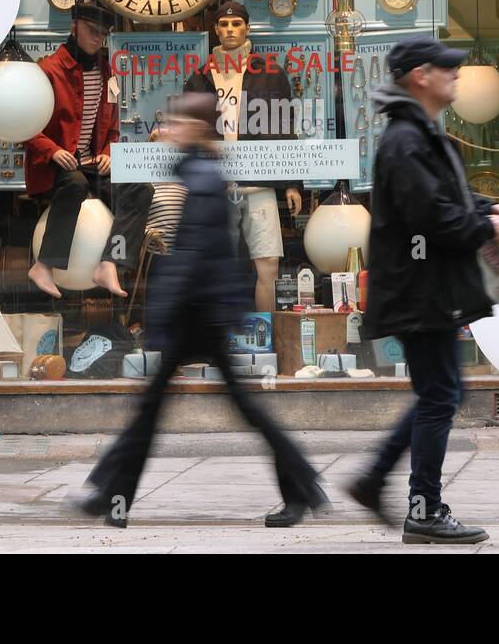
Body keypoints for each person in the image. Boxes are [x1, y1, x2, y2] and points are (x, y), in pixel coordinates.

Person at [75, 92, 327, 529]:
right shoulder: (194, 171)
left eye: (175, 122)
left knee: (199, 410)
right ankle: (111, 494)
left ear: (197, 127)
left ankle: (300, 486)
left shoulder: (203, 177)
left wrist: (167, 312)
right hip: (199, 313)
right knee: (159, 409)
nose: (167, 129)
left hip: (199, 315)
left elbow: (199, 256)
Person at [346, 39, 499, 545]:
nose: (457, 75)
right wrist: (487, 228)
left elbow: (448, 197)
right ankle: (422, 509)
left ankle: (375, 481)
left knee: (441, 392)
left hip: (427, 288)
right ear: (421, 75)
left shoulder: (418, 133)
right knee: (441, 394)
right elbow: (433, 217)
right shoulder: (406, 139)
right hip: (420, 290)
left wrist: (489, 207)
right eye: (448, 68)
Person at [25, 1, 153, 299]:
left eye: (103, 34)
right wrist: (52, 149)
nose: (97, 39)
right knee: (75, 183)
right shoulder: (48, 71)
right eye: (91, 31)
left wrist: (108, 152)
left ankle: (109, 262)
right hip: (56, 165)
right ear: (74, 27)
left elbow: (112, 127)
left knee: (140, 189)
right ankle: (43, 265)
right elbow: (23, 124)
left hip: (90, 162)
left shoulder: (106, 72)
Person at [183, 1, 302, 312]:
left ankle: (268, 336)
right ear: (216, 30)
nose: (230, 30)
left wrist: (292, 183)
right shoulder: (201, 76)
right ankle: (220, 339)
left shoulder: (270, 73)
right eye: (224, 24)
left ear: (247, 28)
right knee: (217, 267)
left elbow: (286, 127)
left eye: (236, 24)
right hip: (217, 186)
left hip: (258, 182)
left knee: (269, 265)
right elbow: (189, 129)